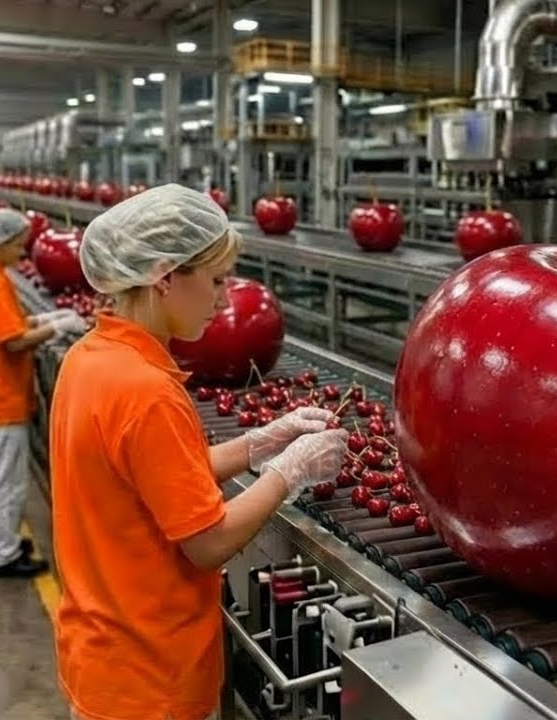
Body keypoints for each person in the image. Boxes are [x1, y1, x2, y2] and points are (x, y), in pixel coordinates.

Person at [49, 184, 347, 720]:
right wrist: (287, 473)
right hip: (151, 677)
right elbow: (208, 542)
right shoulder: (147, 391)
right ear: (165, 277)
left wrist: (260, 444)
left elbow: (156, 482)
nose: (224, 297)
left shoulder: (90, 358)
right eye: (215, 280)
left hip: (103, 655)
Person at [0, 208, 87, 577]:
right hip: (1, 398)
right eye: (17, 245)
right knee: (6, 480)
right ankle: (4, 554)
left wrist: (45, 320)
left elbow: (10, 324)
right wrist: (58, 327)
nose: (22, 253)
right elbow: (14, 341)